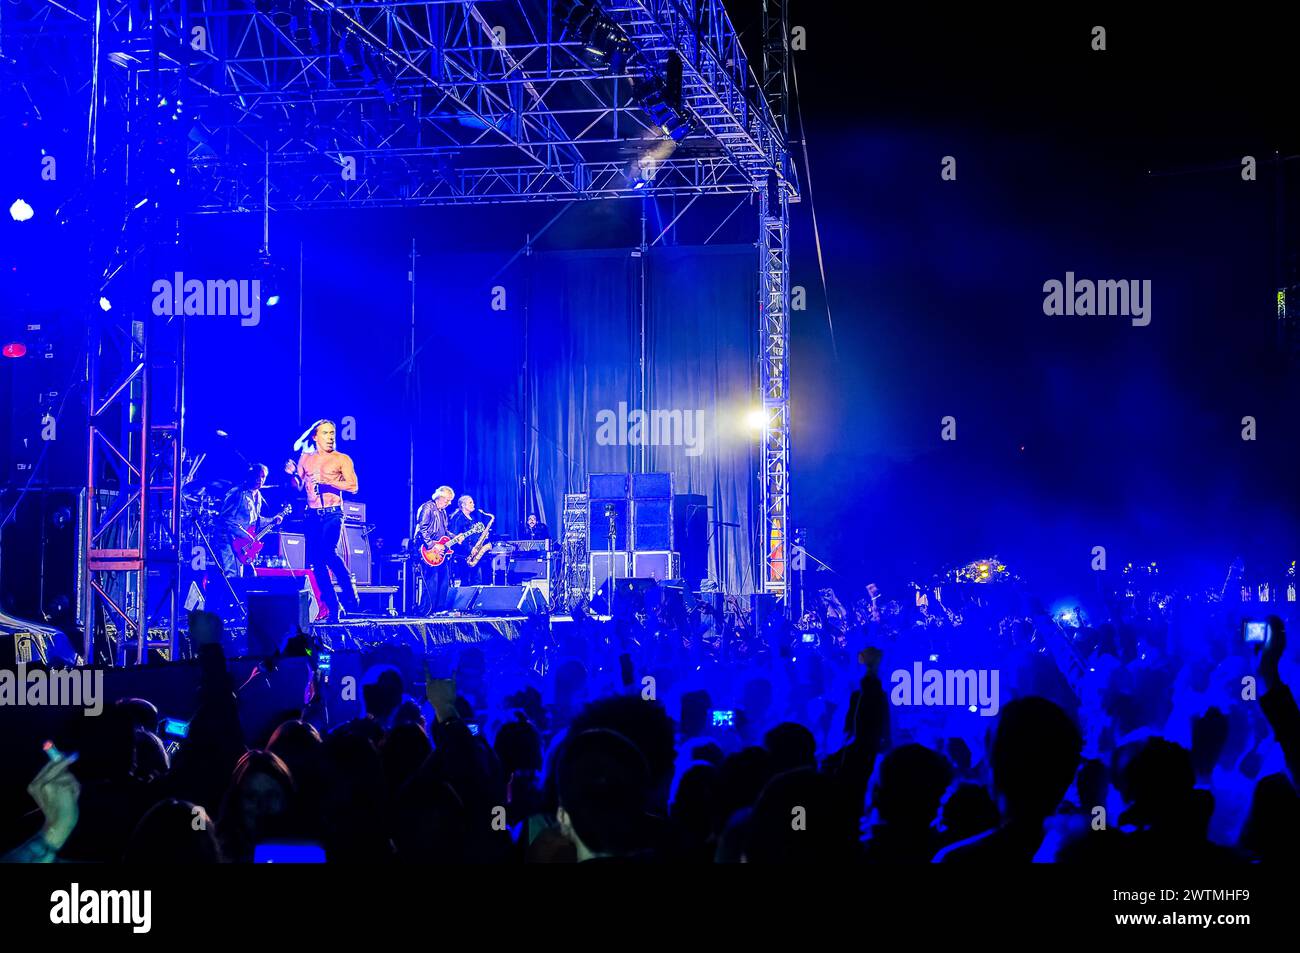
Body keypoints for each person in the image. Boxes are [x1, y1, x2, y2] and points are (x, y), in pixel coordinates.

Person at [289, 420, 360, 619]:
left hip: (333, 513)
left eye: (332, 433)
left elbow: (354, 486)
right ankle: (334, 607)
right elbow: (299, 488)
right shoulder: (306, 458)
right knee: (316, 563)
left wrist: (328, 481)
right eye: (326, 433)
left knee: (329, 553)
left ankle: (350, 593)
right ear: (315, 436)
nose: (330, 437)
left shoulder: (342, 459)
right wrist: (292, 475)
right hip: (312, 515)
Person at [216, 464, 277, 580]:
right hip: (228, 539)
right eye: (257, 476)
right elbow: (225, 520)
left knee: (250, 574)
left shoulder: (258, 496)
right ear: (249, 476)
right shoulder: (236, 493)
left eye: (263, 477)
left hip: (243, 543)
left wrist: (272, 520)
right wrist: (245, 535)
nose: (260, 480)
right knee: (232, 575)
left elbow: (255, 521)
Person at [413, 486, 455, 615]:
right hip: (428, 550)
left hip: (441, 552)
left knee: (443, 580)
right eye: (448, 500)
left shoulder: (443, 512)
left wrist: (455, 537)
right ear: (440, 498)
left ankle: (439, 610)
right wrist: (432, 545)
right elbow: (422, 529)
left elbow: (444, 531)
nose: (449, 503)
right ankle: (425, 611)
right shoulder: (428, 507)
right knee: (432, 581)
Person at [449, 495, 490, 587]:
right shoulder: (458, 518)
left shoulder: (472, 518)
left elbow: (472, 535)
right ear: (463, 505)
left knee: (477, 581)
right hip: (463, 556)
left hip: (474, 554)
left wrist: (483, 536)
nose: (473, 504)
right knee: (466, 582)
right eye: (470, 502)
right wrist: (469, 549)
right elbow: (455, 537)